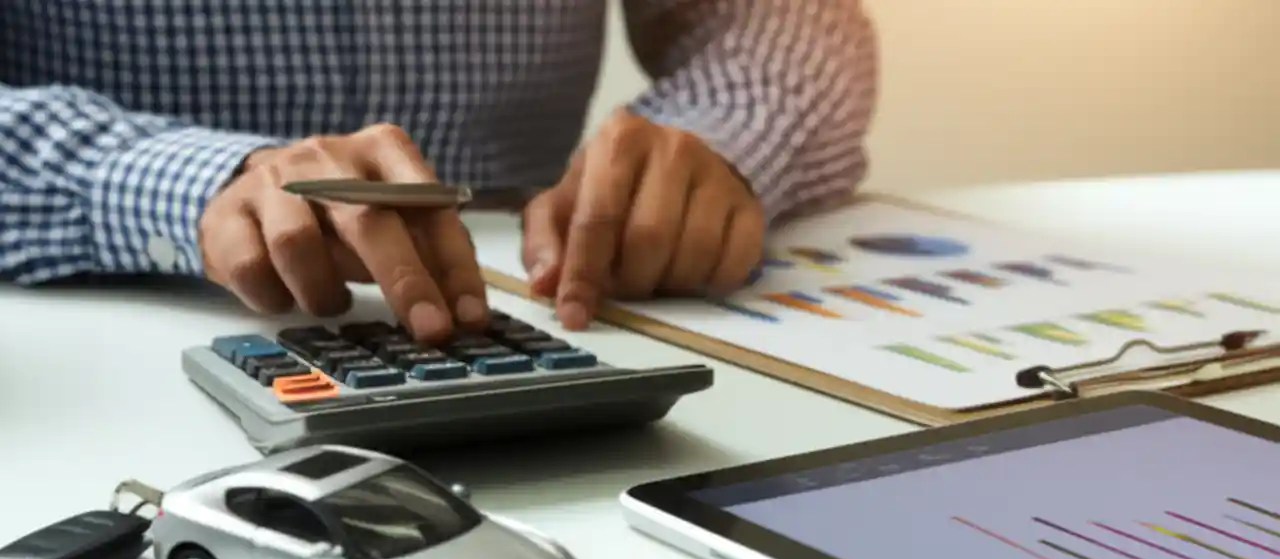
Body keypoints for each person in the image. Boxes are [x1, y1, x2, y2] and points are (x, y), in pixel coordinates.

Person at [0, 1, 877, 342]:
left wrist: (718, 137)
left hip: (566, 322)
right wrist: (189, 181)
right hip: (121, 337)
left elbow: (787, 19)